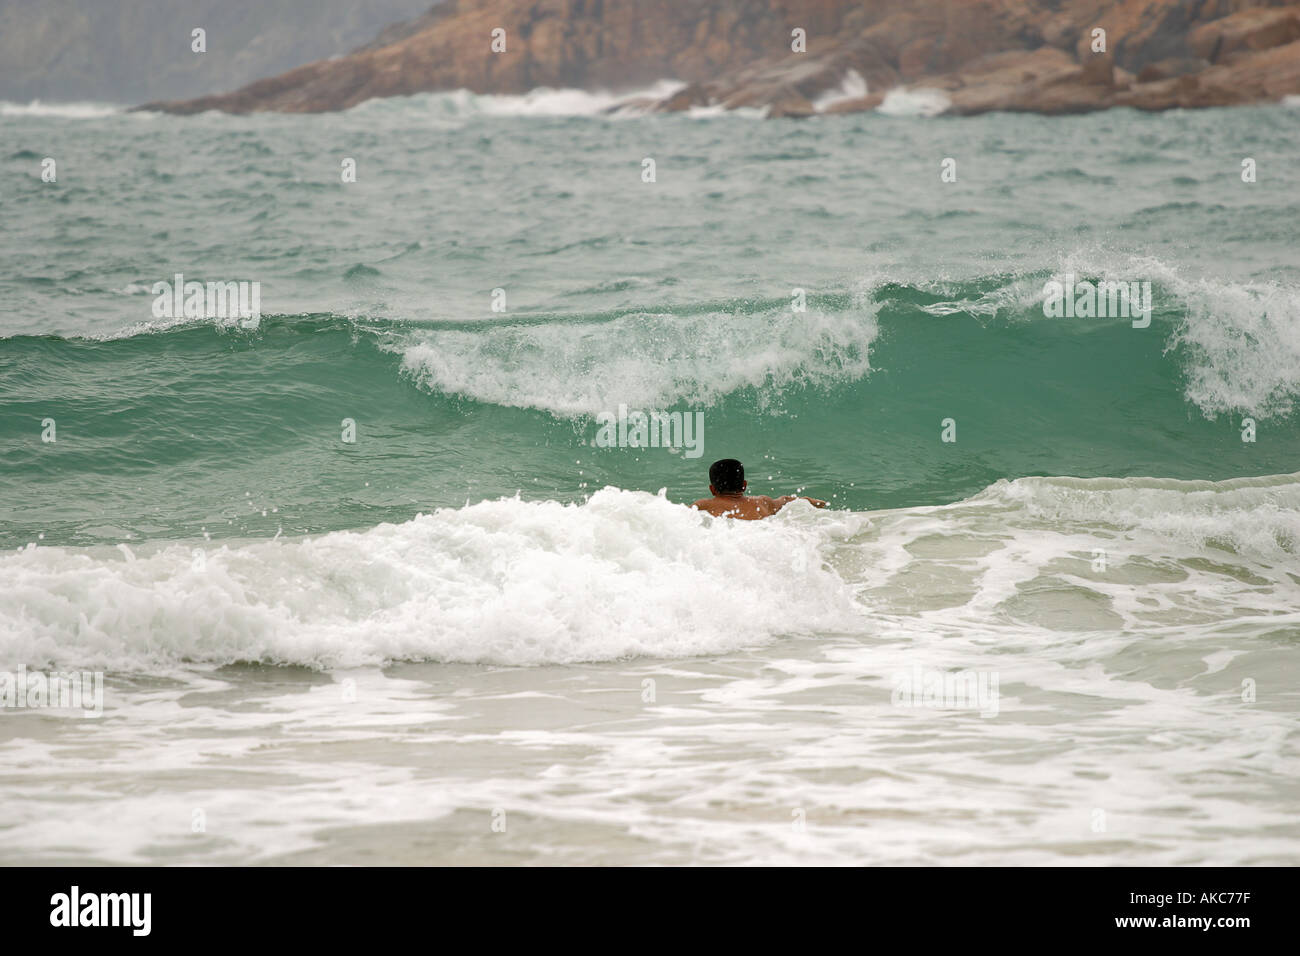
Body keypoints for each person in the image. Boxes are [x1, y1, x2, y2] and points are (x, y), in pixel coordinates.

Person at [690, 458, 827, 520]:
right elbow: (787, 500)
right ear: (744, 485)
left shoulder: (704, 505)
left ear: (712, 489)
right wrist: (817, 502)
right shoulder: (762, 502)